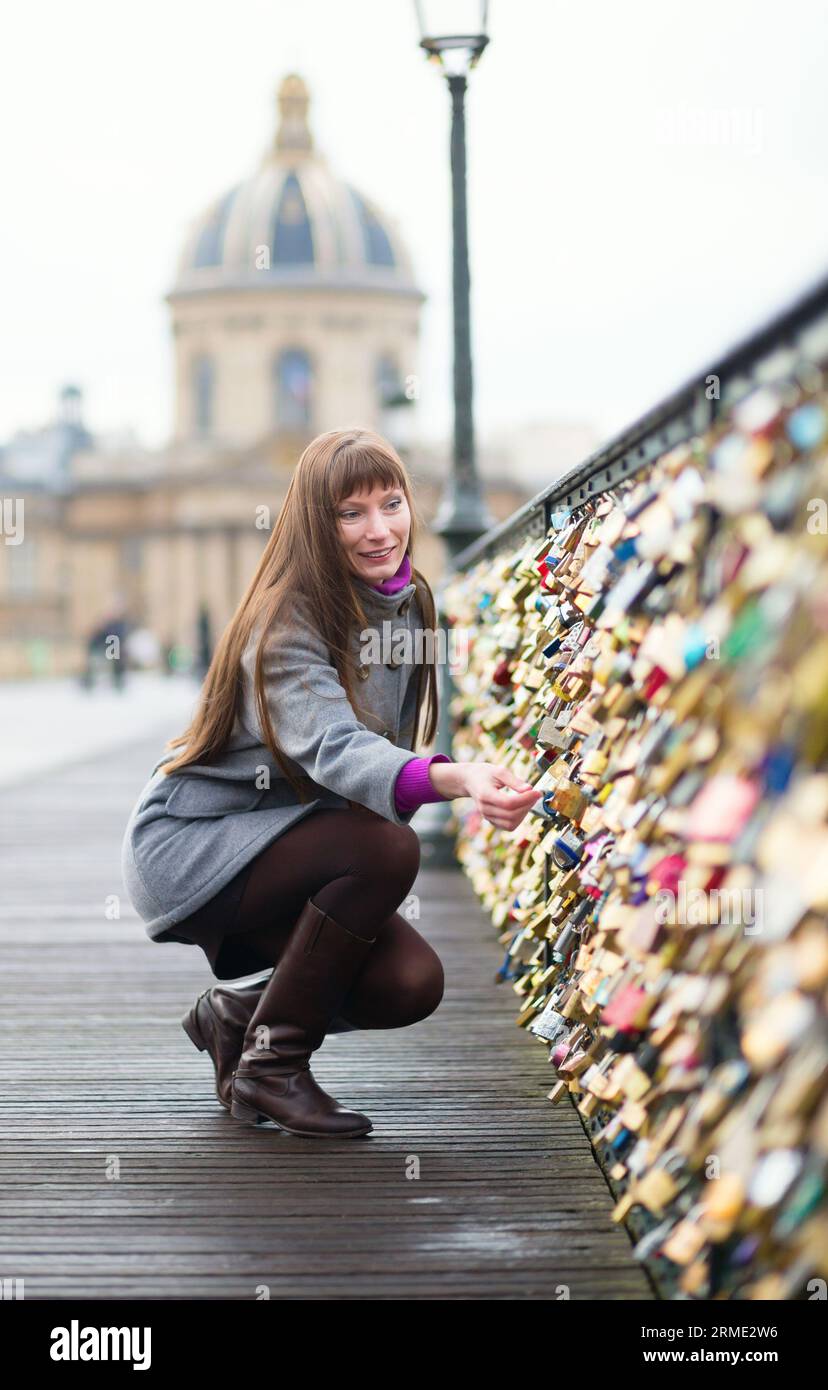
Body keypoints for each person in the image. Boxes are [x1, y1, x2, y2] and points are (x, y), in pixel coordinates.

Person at [120, 427, 537, 1140]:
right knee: (387, 848)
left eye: (392, 504)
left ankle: (238, 1021)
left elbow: (384, 747)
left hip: (290, 840)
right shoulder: (288, 619)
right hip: (195, 846)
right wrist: (458, 776)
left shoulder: (411, 604)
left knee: (410, 983)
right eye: (351, 513)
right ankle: (274, 1068)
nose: (379, 530)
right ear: (318, 522)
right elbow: (339, 750)